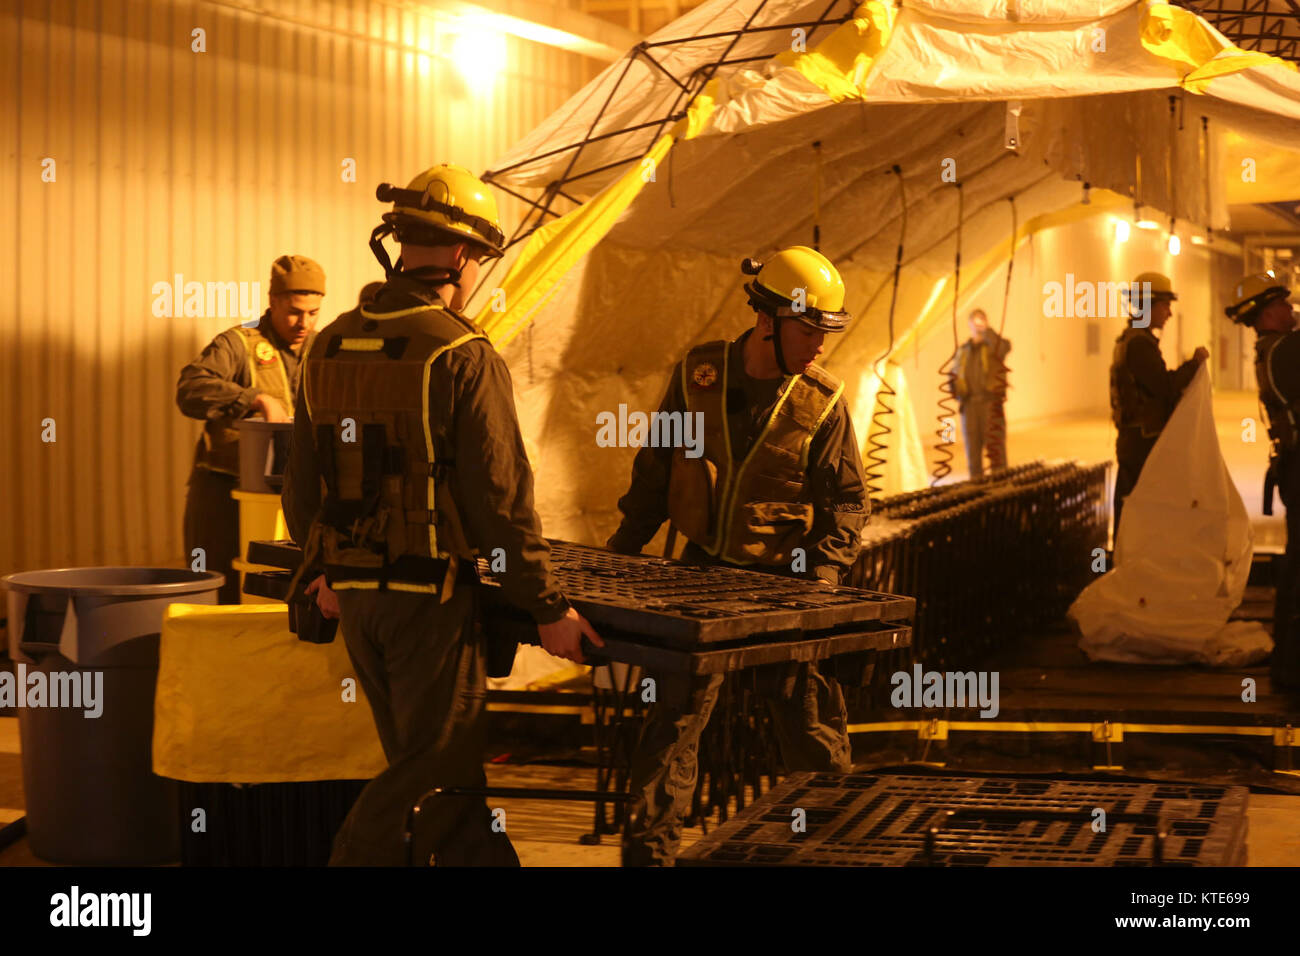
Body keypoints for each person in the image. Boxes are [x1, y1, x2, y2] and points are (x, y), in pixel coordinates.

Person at [280, 164, 602, 866]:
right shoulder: (461, 352)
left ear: (401, 243)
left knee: (444, 783)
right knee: (432, 768)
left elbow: (303, 488)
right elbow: (500, 502)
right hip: (429, 602)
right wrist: (547, 607)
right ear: (462, 254)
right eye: (480, 260)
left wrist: (324, 573)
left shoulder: (327, 345)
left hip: (356, 602)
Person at [606, 246, 869, 865]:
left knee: (810, 732)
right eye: (809, 331)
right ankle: (653, 857)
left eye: (826, 333)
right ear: (767, 322)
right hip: (700, 578)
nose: (819, 346)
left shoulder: (821, 404)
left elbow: (849, 503)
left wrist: (824, 576)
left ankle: (830, 853)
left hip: (783, 587)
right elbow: (655, 472)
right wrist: (622, 553)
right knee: (670, 731)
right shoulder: (699, 376)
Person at [176, 255, 326, 603]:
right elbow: (189, 389)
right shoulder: (237, 343)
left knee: (280, 594)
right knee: (216, 588)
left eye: (313, 312)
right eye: (293, 311)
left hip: (292, 498)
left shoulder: (323, 349)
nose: (303, 322)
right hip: (224, 490)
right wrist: (255, 398)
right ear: (272, 301)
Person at [1225, 272, 1300, 691]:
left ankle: (1288, 666)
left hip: (1292, 466)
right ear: (1268, 313)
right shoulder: (1286, 351)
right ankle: (1291, 671)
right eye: (1285, 306)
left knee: (1295, 565)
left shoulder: (1274, 349)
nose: (1292, 311)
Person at [1108, 271, 1208, 540]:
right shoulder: (1139, 345)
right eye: (1165, 305)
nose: (1169, 313)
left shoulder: (1130, 339)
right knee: (1144, 511)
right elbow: (1163, 387)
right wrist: (1194, 364)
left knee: (1133, 506)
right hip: (1144, 442)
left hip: (1135, 439)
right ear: (1147, 305)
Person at [950, 308, 1011, 478]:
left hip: (990, 405)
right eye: (975, 321)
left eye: (981, 320)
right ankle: (977, 488)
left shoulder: (994, 346)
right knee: (973, 454)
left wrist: (987, 332)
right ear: (969, 324)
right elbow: (954, 374)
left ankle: (1001, 490)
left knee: (996, 452)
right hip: (969, 408)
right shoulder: (963, 351)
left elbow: (1004, 349)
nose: (978, 324)